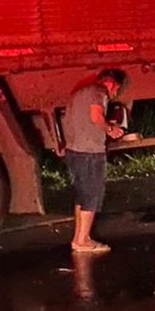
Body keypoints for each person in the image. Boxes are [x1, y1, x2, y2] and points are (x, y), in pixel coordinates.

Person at [60, 69, 126, 254]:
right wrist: (111, 129)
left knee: (82, 196)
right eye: (116, 90)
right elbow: (96, 116)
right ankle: (83, 240)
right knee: (91, 195)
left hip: (74, 150)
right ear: (111, 84)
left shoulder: (79, 92)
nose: (114, 95)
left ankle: (79, 238)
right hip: (89, 152)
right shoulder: (99, 92)